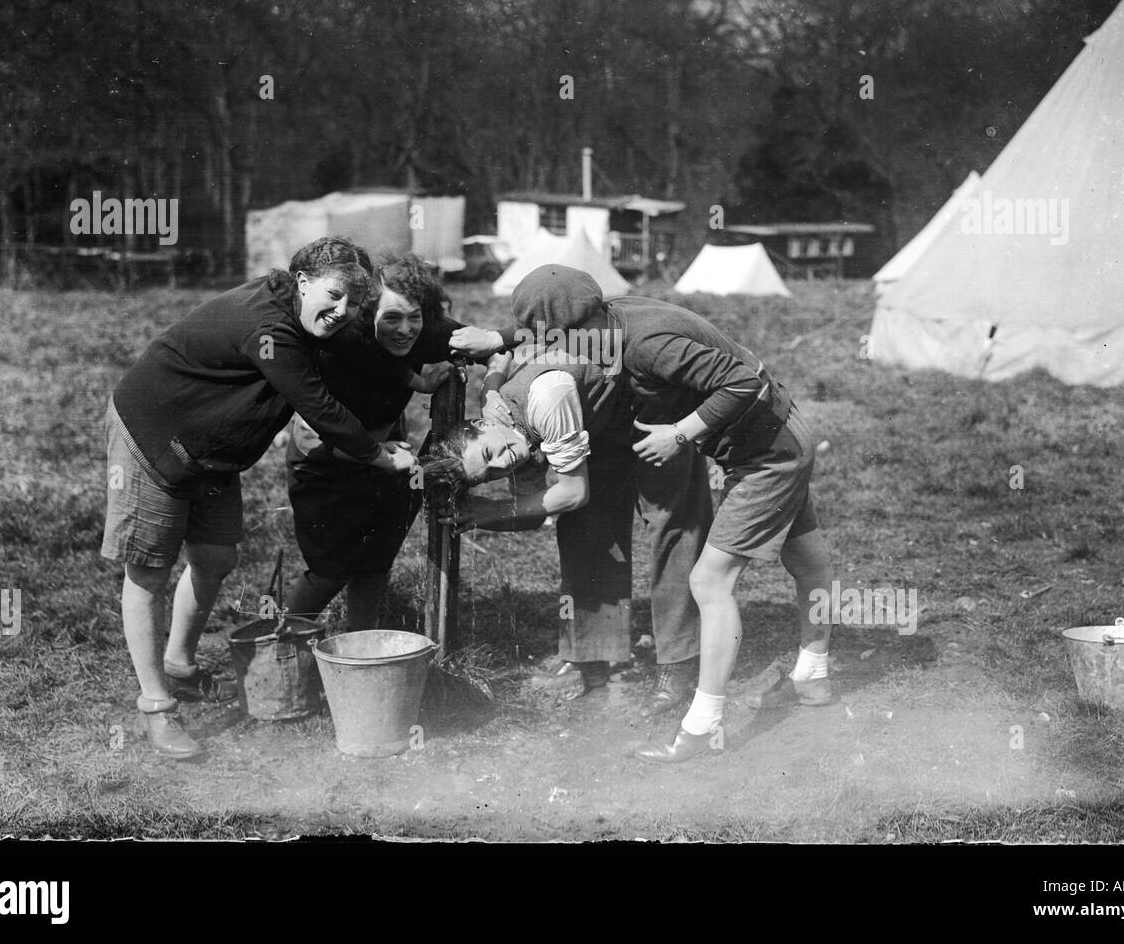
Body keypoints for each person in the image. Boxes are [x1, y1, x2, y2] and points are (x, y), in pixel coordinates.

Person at [465, 264, 837, 764]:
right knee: (809, 560)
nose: (551, 347)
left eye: (555, 337)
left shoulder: (646, 345)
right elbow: (549, 328)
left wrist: (679, 433)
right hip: (781, 436)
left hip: (766, 452)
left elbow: (744, 381)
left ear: (578, 326)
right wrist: (498, 336)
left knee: (710, 583)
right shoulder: (609, 317)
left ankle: (702, 726)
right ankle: (812, 678)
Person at [103, 238, 417, 759]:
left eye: (351, 305)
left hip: (210, 452)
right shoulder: (270, 328)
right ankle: (157, 705)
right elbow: (317, 405)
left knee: (214, 557)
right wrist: (378, 455)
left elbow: (362, 349)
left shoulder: (309, 318)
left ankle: (180, 666)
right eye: (334, 296)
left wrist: (420, 373)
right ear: (302, 281)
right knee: (148, 571)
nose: (341, 313)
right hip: (151, 436)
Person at [428, 337, 713, 713]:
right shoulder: (505, 437)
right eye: (488, 475)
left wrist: (486, 512)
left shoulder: (547, 397)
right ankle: (594, 663)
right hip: (599, 428)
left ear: (483, 424)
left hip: (653, 408)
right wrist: (476, 515)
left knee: (673, 527)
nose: (500, 465)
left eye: (488, 454)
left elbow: (573, 492)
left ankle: (679, 664)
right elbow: (533, 516)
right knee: (584, 528)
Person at [282, 253, 506, 627]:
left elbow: (495, 349)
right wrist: (413, 387)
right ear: (366, 316)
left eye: (414, 316)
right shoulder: (337, 346)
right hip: (323, 460)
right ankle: (283, 648)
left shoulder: (428, 330)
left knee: (376, 559)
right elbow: (325, 433)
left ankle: (361, 648)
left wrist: (492, 391)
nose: (404, 329)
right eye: (391, 317)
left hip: (386, 449)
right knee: (330, 567)